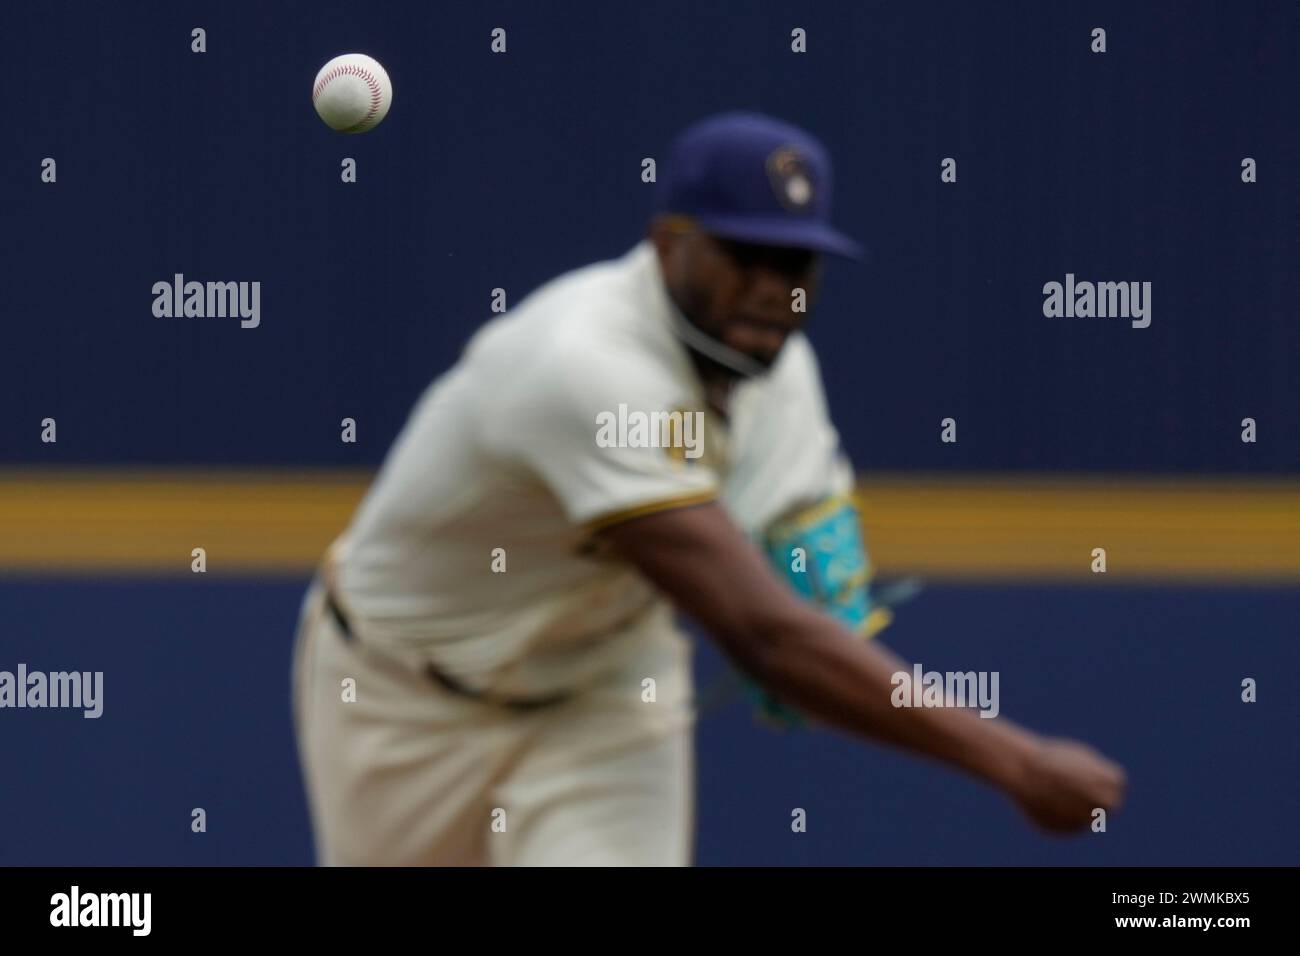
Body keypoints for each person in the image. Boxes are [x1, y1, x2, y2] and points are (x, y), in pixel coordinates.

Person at [292, 110, 1126, 866]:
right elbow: (764, 633)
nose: (773, 286)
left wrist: (816, 597)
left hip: (604, 697)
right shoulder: (583, 362)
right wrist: (1017, 762)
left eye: (795, 261)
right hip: (403, 695)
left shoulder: (777, 368)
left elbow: (798, 575)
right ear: (667, 244)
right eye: (743, 255)